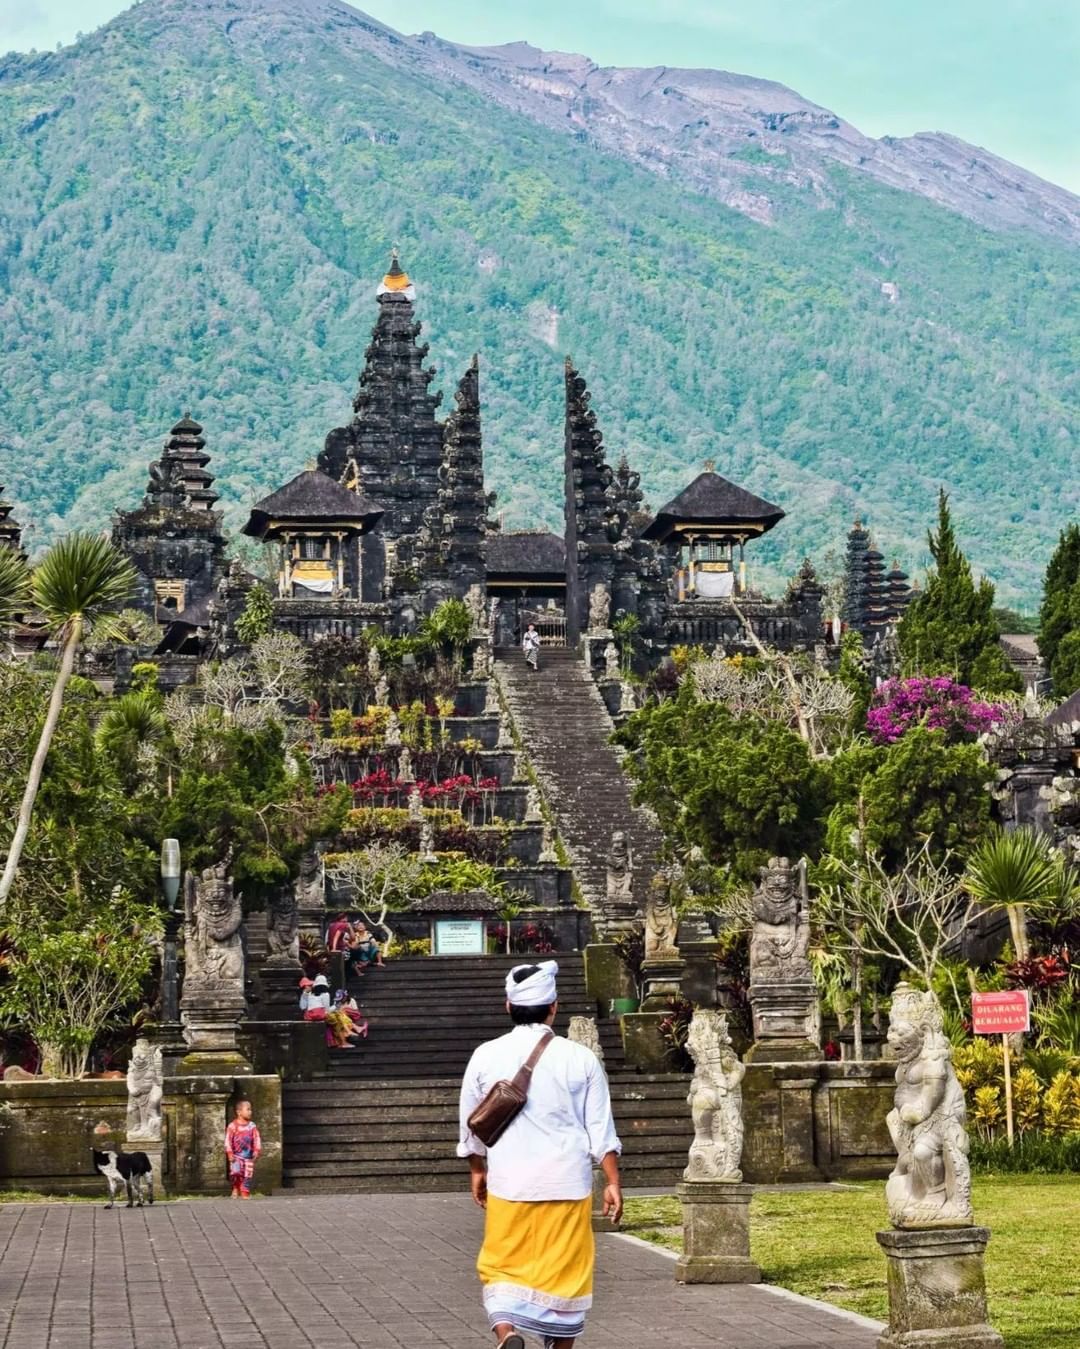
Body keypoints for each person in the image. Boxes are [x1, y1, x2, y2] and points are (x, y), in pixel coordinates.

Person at [458, 960, 622, 1349]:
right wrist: (613, 1182)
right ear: (554, 1007)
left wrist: (477, 1169)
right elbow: (601, 1129)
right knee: (565, 1275)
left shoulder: (485, 1054)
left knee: (501, 1265)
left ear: (508, 1007)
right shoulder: (580, 1058)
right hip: (567, 1183)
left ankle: (507, 1331)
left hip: (510, 1181)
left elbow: (471, 1122)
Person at [225, 1098, 262, 1199]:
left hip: (248, 1156)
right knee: (235, 1173)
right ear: (239, 1112)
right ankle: (235, 1187)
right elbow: (228, 1140)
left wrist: (256, 1150)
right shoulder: (232, 1126)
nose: (250, 1112)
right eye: (248, 1109)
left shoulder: (252, 1126)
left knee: (248, 1174)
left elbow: (256, 1138)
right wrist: (229, 1153)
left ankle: (245, 1191)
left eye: (251, 1109)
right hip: (236, 1156)